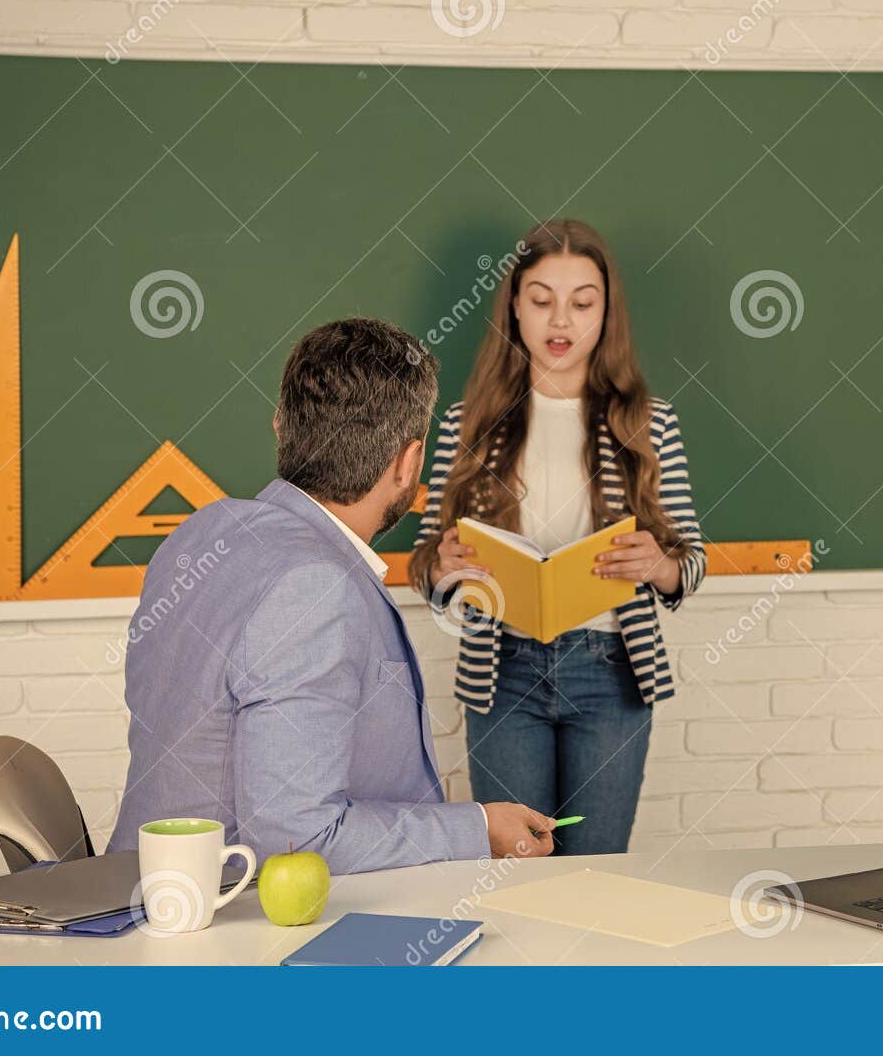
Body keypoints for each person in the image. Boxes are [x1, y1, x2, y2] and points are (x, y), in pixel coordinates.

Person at [108, 318, 555, 871]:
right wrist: (480, 827)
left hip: (148, 891)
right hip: (238, 925)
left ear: (280, 426)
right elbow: (297, 839)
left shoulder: (202, 532)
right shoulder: (314, 588)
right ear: (408, 463)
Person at [410, 219, 707, 855]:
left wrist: (658, 565)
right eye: (542, 300)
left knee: (594, 870)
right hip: (503, 675)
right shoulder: (468, 423)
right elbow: (425, 565)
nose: (560, 321)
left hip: (613, 676)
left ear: (608, 312)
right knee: (516, 868)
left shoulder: (650, 423)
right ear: (514, 305)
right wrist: (443, 569)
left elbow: (690, 560)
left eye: (582, 302)